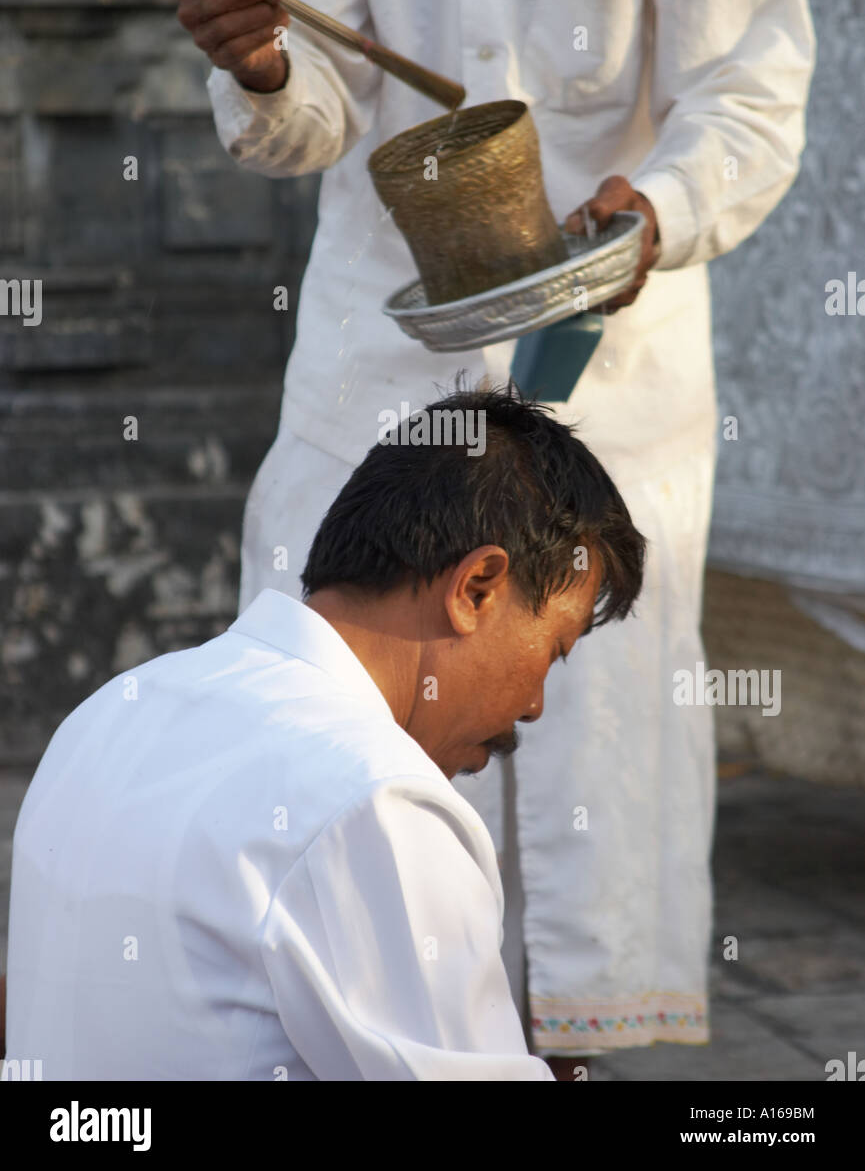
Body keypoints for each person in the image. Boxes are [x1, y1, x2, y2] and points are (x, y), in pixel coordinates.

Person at [175, 0, 815, 1075]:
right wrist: (259, 58)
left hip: (610, 352)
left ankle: (557, 1060)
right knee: (344, 730)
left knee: (585, 736)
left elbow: (749, 83)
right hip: (384, 358)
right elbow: (311, 114)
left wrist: (660, 207)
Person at [4, 388, 645, 1081]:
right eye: (552, 650)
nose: (534, 706)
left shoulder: (107, 713)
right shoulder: (376, 801)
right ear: (477, 588)